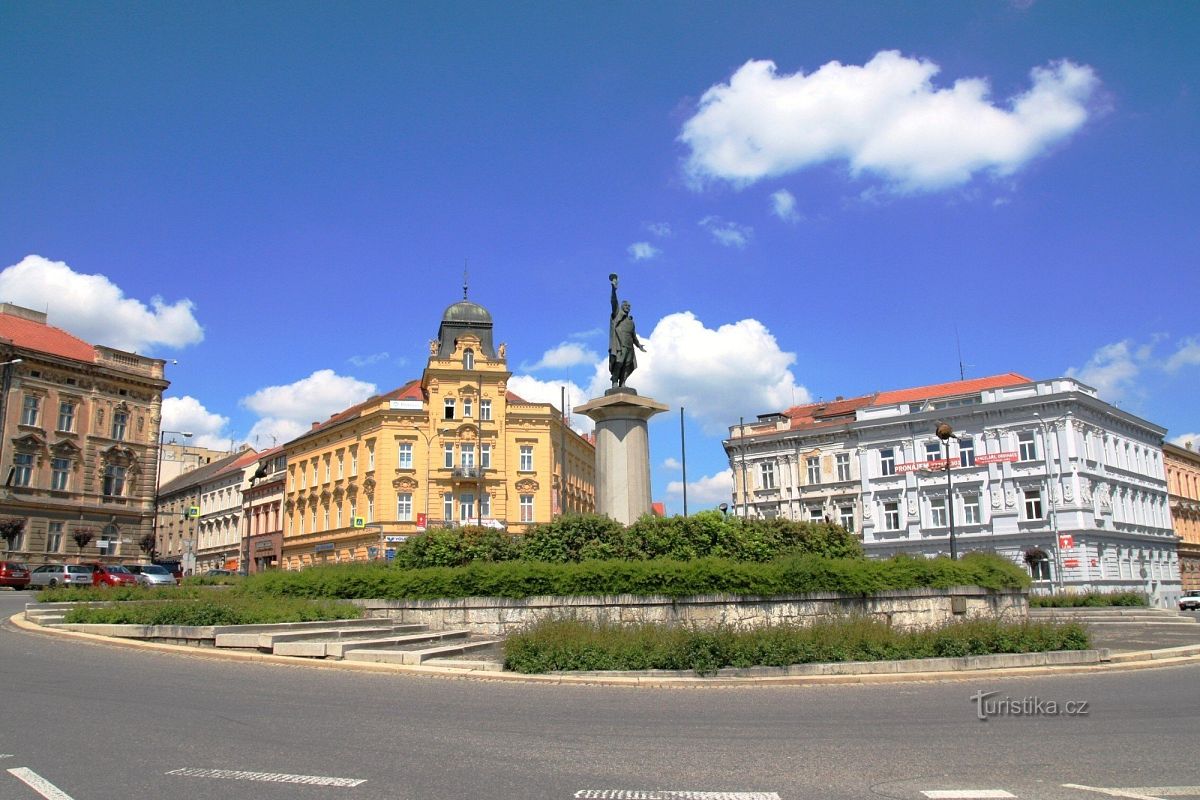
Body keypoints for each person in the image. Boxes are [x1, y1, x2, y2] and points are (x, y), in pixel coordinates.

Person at [608, 273, 646, 388]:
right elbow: (614, 302)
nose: (628, 308)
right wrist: (613, 290)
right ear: (622, 307)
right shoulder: (617, 315)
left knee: (627, 364)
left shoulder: (631, 322)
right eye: (626, 306)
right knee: (619, 362)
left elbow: (633, 336)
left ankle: (622, 382)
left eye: (629, 307)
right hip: (620, 345)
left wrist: (639, 345)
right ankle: (615, 381)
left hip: (629, 345)